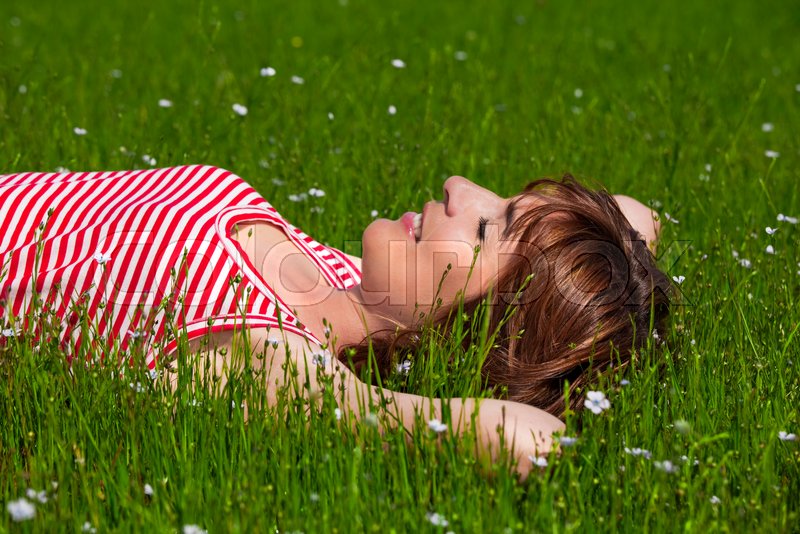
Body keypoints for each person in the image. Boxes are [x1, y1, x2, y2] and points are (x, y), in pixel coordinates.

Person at [0, 165, 669, 478]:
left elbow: (533, 445)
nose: (459, 188)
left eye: (487, 225)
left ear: (480, 334)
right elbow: (640, 218)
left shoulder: (263, 353)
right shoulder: (349, 281)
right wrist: (616, 277)